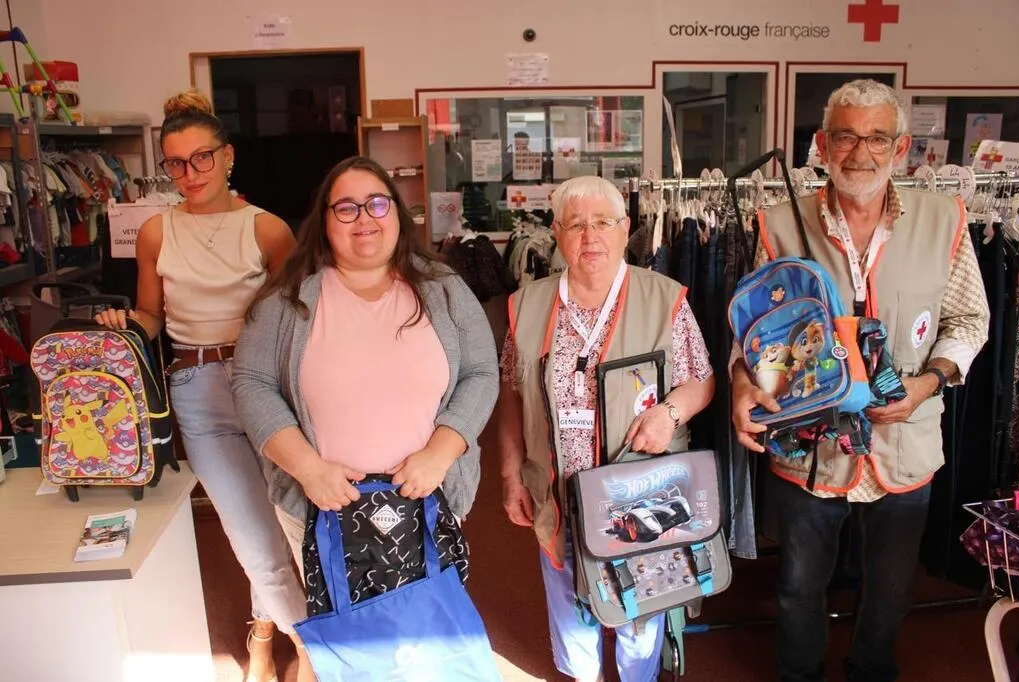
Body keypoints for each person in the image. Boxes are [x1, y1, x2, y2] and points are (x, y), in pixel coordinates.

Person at [730, 79, 991, 682]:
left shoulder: (944, 219)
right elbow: (755, 336)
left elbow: (969, 320)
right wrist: (744, 384)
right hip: (809, 446)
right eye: (846, 137)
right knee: (798, 588)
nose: (861, 152)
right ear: (822, 146)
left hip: (906, 442)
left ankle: (871, 671)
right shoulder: (777, 224)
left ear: (900, 148)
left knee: (893, 589)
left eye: (877, 138)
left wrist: (928, 383)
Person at [228, 155, 499, 669]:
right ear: (325, 221)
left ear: (396, 212)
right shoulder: (288, 299)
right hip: (322, 504)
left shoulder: (443, 287)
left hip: (429, 496)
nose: (364, 218)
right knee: (349, 643)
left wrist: (441, 454)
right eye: (346, 208)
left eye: (377, 203)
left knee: (428, 635)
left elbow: (482, 372)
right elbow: (251, 383)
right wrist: (309, 470)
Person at [94, 89, 310, 682]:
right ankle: (308, 647)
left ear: (227, 156)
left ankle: (265, 631)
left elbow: (297, 319)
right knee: (250, 533)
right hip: (196, 388)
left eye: (202, 158)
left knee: (291, 523)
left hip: (266, 386)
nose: (190, 174)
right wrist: (124, 322)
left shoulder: (267, 230)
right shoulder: (155, 233)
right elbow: (151, 316)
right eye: (176, 164)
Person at [497, 175, 715, 682]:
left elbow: (701, 381)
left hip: (638, 493)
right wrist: (510, 474)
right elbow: (512, 393)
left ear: (626, 229)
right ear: (557, 232)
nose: (590, 236)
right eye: (576, 224)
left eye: (603, 222)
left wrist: (669, 414)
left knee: (640, 604)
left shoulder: (663, 298)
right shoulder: (527, 304)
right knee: (568, 597)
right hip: (558, 490)